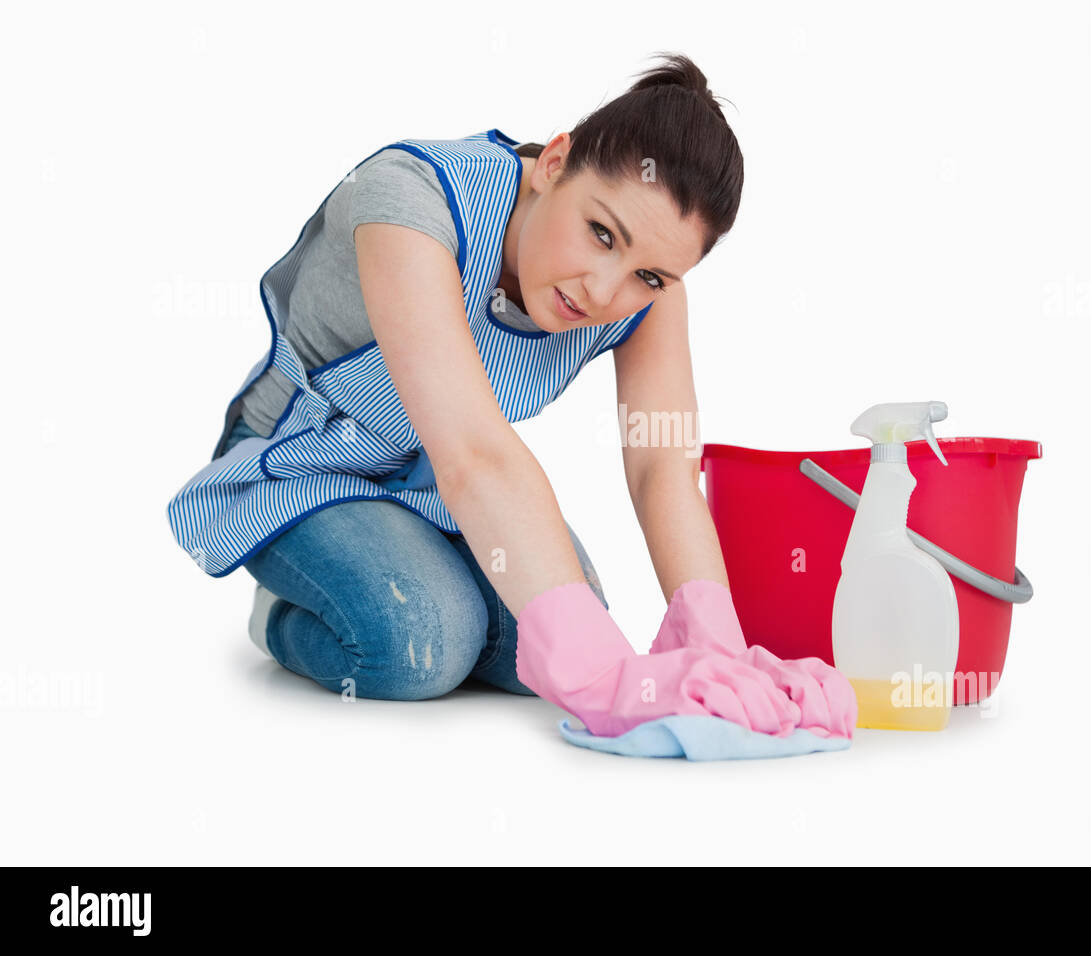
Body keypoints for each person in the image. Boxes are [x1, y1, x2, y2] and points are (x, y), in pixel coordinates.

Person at [166, 52, 855, 736]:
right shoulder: (411, 200)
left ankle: (408, 580)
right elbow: (473, 451)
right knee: (420, 644)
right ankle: (285, 615)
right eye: (600, 233)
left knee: (538, 650)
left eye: (649, 275)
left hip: (437, 487)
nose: (605, 290)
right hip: (302, 470)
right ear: (556, 161)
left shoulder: (653, 290)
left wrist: (718, 649)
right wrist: (597, 675)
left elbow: (661, 471)